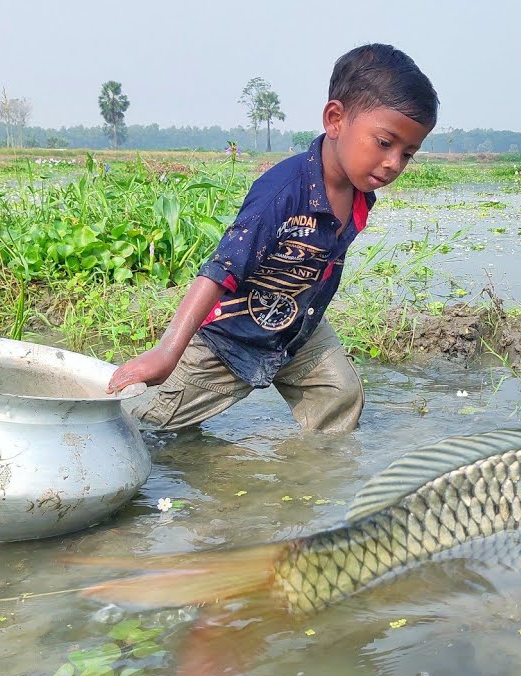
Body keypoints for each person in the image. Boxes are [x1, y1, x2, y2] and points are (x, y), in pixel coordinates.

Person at [106, 43, 438, 433]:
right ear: (335, 119)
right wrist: (167, 351)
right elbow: (220, 269)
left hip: (298, 326)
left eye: (407, 153)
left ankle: (313, 480)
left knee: (339, 395)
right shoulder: (282, 193)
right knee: (143, 426)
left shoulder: (361, 195)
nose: (393, 163)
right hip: (229, 338)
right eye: (384, 143)